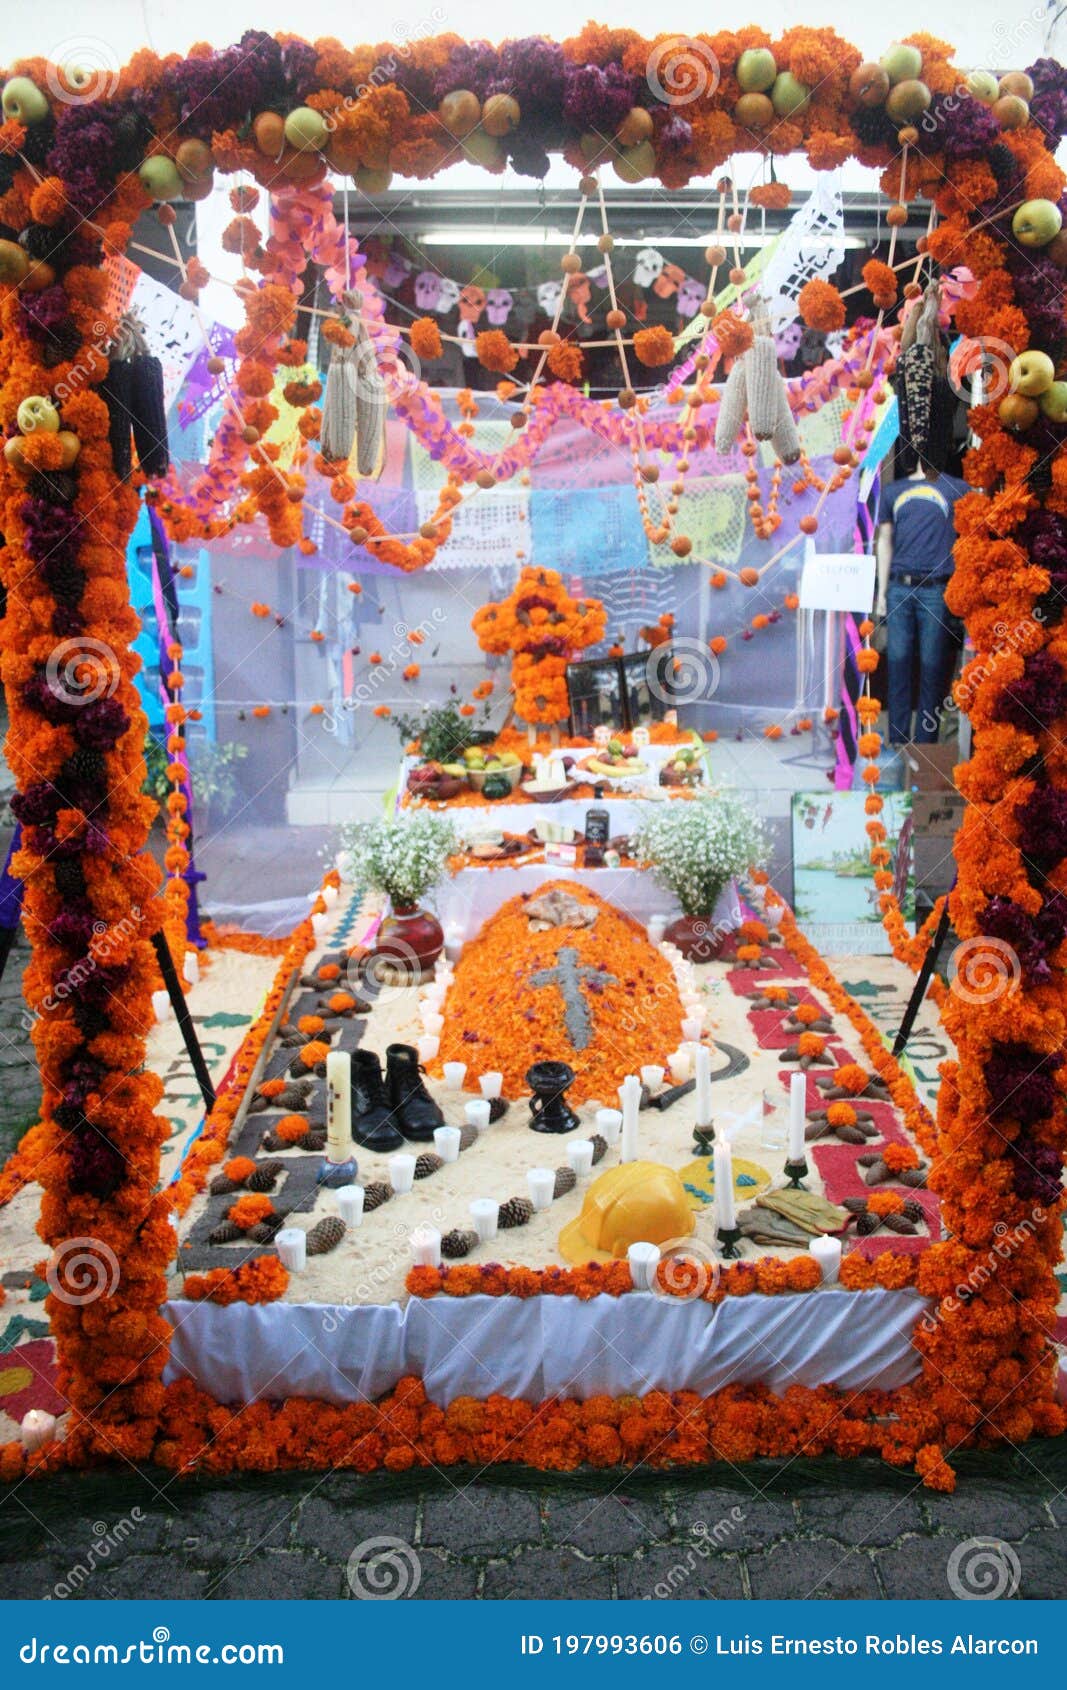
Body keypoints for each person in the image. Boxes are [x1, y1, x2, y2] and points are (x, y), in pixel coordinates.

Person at [874, 459, 969, 745]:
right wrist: (881, 593)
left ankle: (926, 746)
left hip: (937, 589)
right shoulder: (893, 491)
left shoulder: (958, 489)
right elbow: (884, 540)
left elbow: (972, 535)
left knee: (932, 665)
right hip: (899, 587)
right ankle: (898, 742)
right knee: (897, 662)